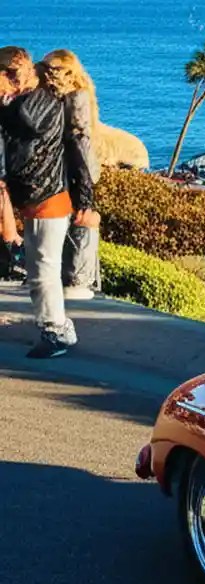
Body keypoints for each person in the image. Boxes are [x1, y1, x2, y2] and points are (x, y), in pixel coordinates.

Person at [0, 46, 94, 358]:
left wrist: (85, 198)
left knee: (43, 269)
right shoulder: (30, 102)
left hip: (47, 197)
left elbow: (26, 121)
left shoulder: (34, 104)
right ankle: (57, 328)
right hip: (39, 196)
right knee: (40, 267)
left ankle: (56, 332)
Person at [38, 49, 102, 300]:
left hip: (74, 172)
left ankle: (77, 279)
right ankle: (74, 278)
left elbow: (79, 142)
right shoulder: (70, 97)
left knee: (79, 221)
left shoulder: (75, 100)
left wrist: (85, 191)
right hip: (70, 171)